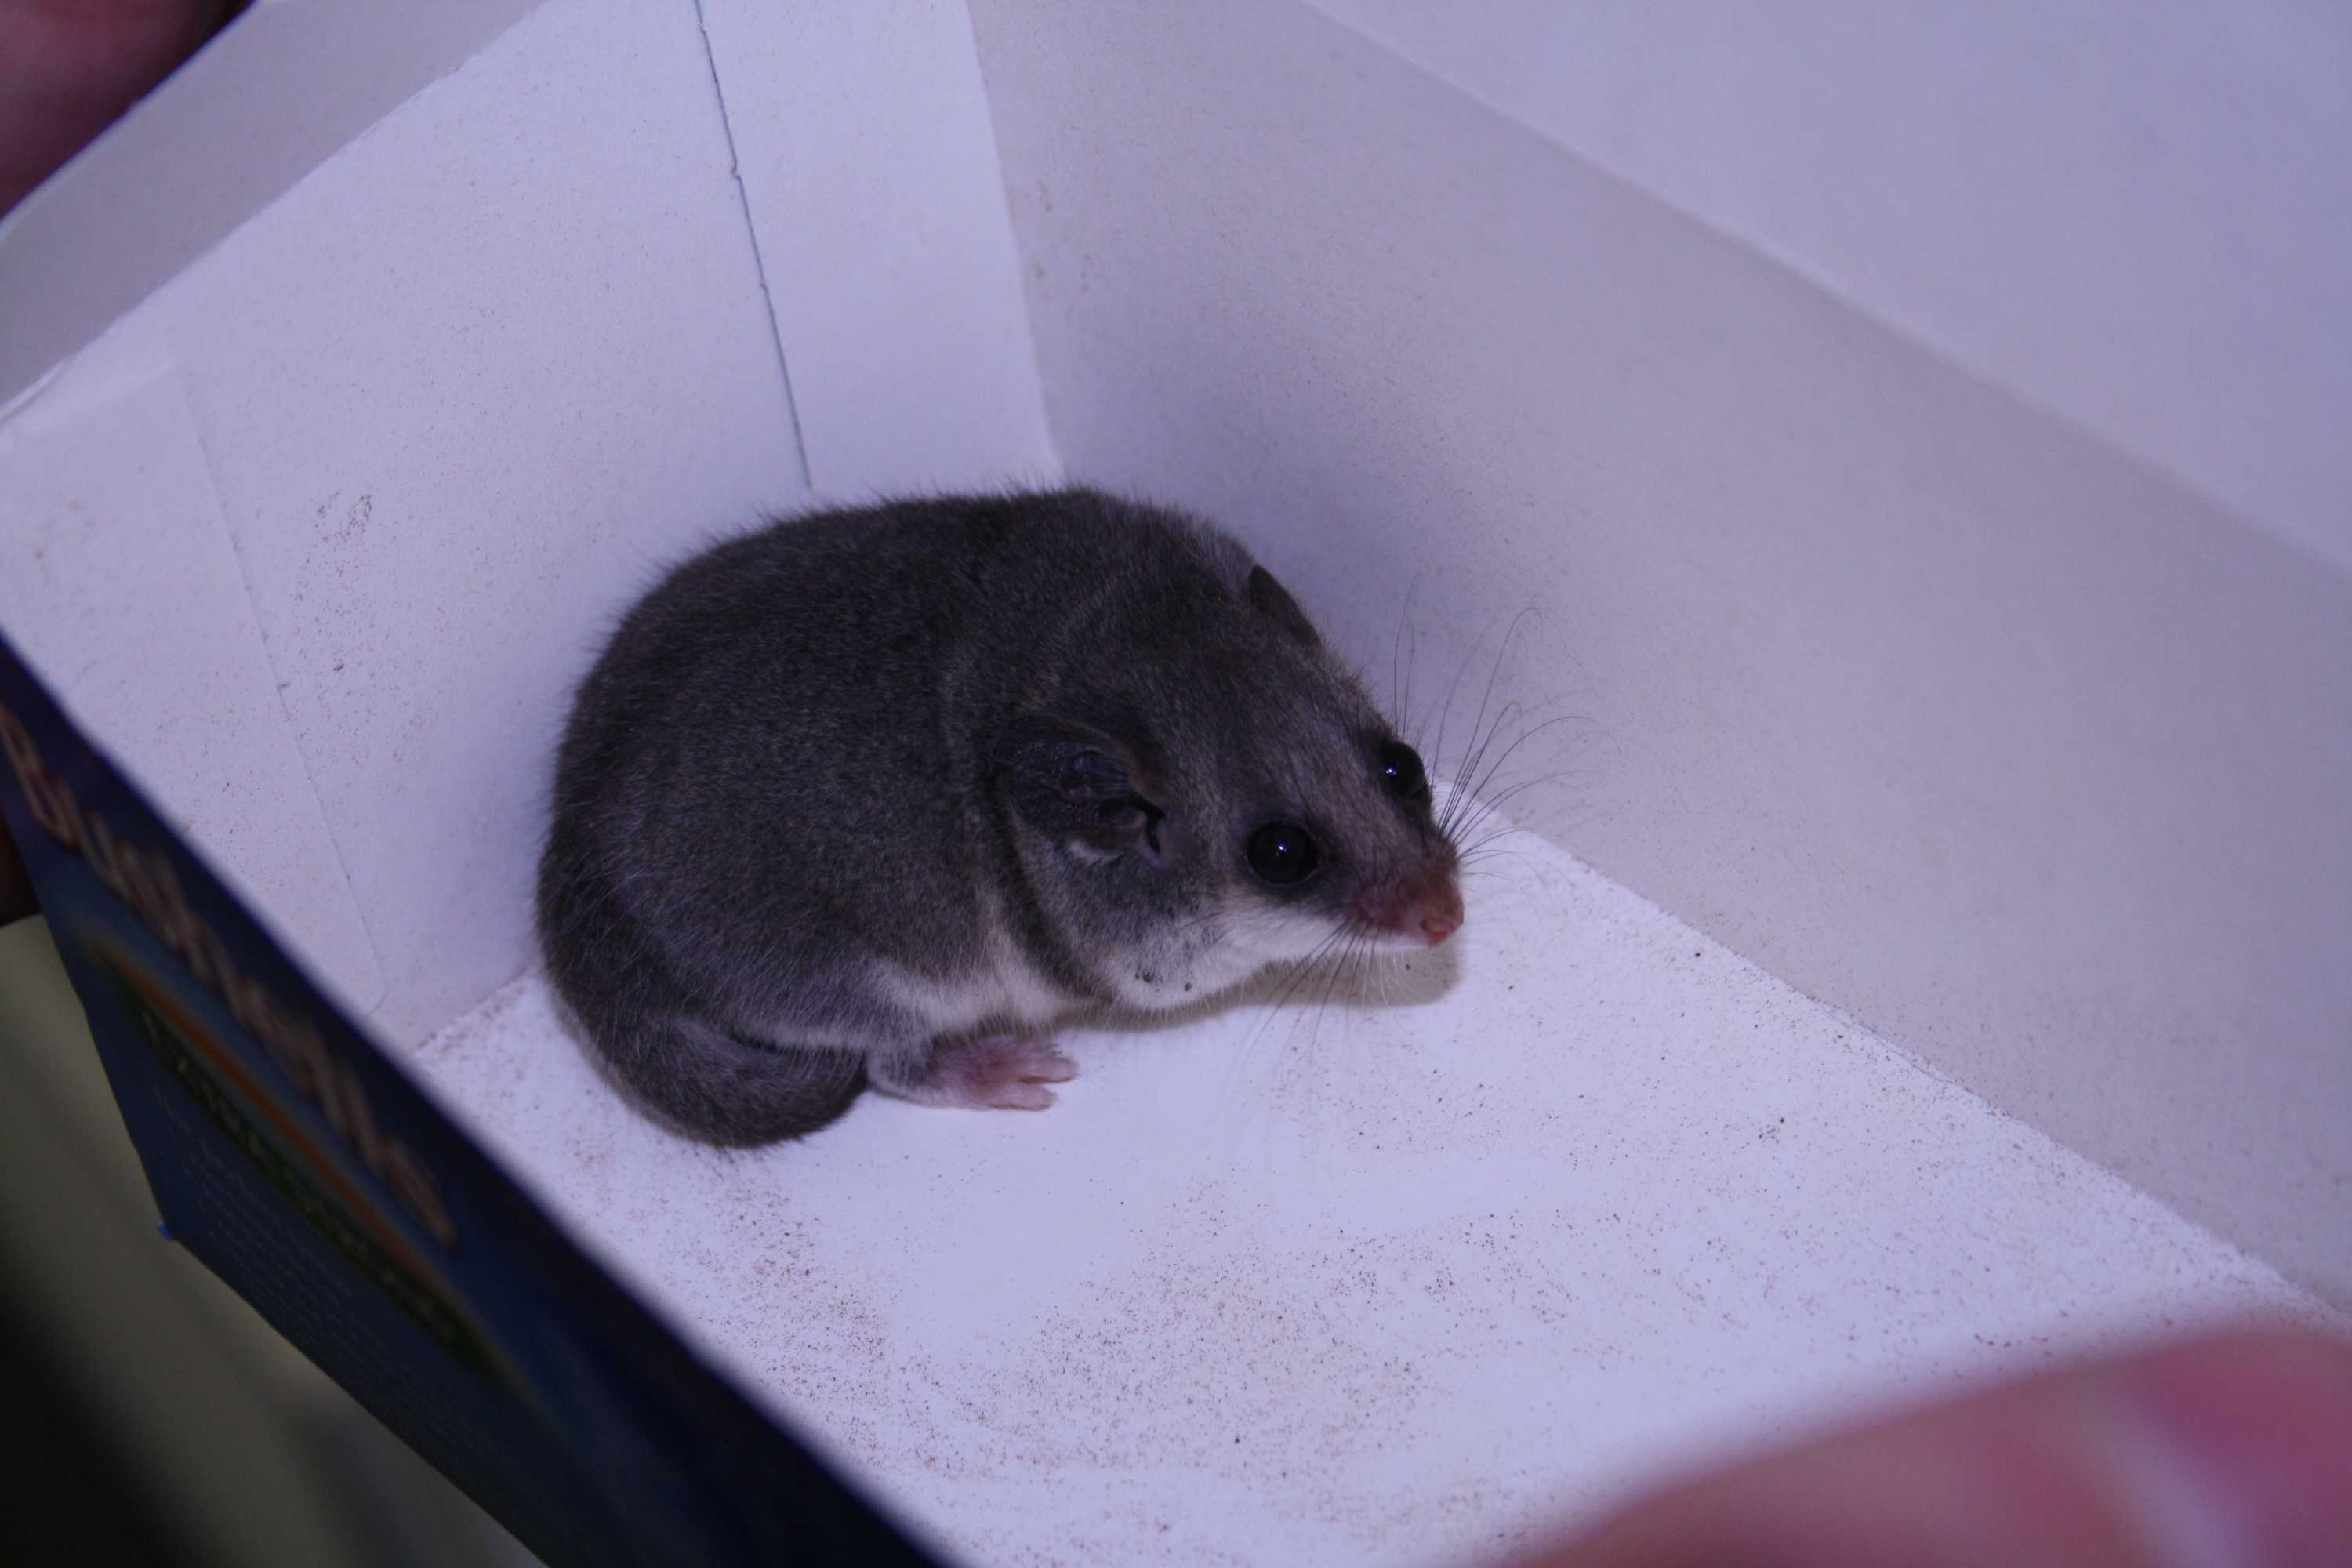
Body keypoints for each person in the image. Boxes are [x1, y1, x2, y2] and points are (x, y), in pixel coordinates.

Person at [4, 11, 2347, 1567]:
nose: (1410, 887)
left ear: (1298, 642)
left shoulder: (1182, 598)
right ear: (1110, 817)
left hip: (729, 735)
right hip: (731, 900)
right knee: (842, 1035)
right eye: (1308, 860)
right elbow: (1123, 963)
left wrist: (1334, 861)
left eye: (1387, 793)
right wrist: (945, 1032)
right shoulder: (1075, 835)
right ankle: (878, 1050)